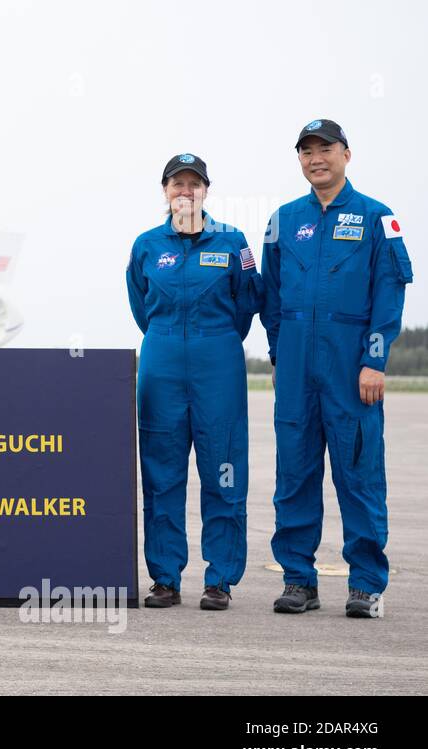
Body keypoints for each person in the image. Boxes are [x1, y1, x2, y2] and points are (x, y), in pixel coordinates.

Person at [261, 119, 413, 618]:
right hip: (297, 371)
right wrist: (281, 355)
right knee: (295, 475)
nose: (315, 158)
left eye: (324, 148)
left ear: (347, 154)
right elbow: (271, 296)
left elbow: (390, 291)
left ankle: (366, 584)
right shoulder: (283, 220)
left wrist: (374, 359)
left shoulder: (376, 217)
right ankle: (298, 580)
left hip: (351, 370)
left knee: (359, 473)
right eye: (306, 151)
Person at [126, 153, 262, 611]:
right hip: (161, 363)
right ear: (164, 192)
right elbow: (140, 306)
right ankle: (165, 578)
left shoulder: (233, 242)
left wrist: (215, 339)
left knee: (223, 472)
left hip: (218, 364)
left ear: (207, 190)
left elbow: (248, 302)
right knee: (162, 476)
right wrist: (169, 339)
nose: (185, 191)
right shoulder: (146, 246)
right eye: (176, 184)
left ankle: (220, 579)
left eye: (194, 184)